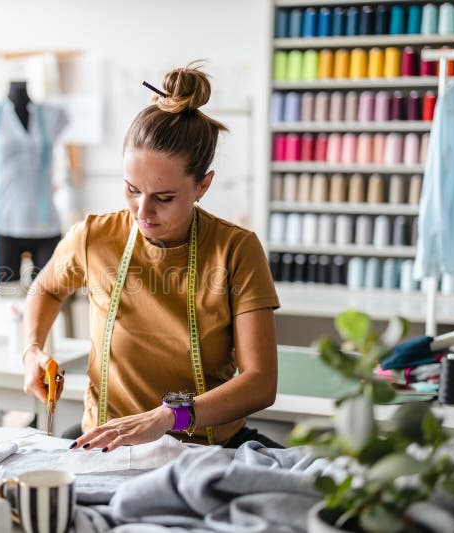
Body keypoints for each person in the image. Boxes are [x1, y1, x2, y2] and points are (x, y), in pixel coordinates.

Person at [22, 62, 281, 450]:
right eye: (131, 189)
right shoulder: (94, 236)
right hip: (106, 445)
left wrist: (169, 416)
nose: (143, 211)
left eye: (164, 197)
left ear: (202, 186)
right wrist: (33, 349)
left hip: (204, 448)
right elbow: (46, 288)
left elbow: (261, 381)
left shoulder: (236, 250)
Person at [0, 81, 68, 283]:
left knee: (51, 291)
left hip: (45, 223)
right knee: (6, 296)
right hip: (5, 224)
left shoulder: (52, 116)